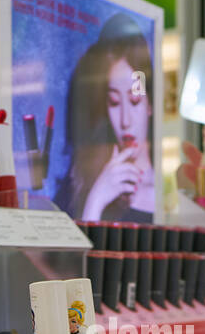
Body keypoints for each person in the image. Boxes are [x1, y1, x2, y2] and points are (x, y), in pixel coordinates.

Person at [55, 13, 155, 223]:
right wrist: (97, 198)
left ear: (150, 105)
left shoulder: (163, 192)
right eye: (114, 102)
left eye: (135, 101)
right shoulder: (83, 179)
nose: (125, 121)